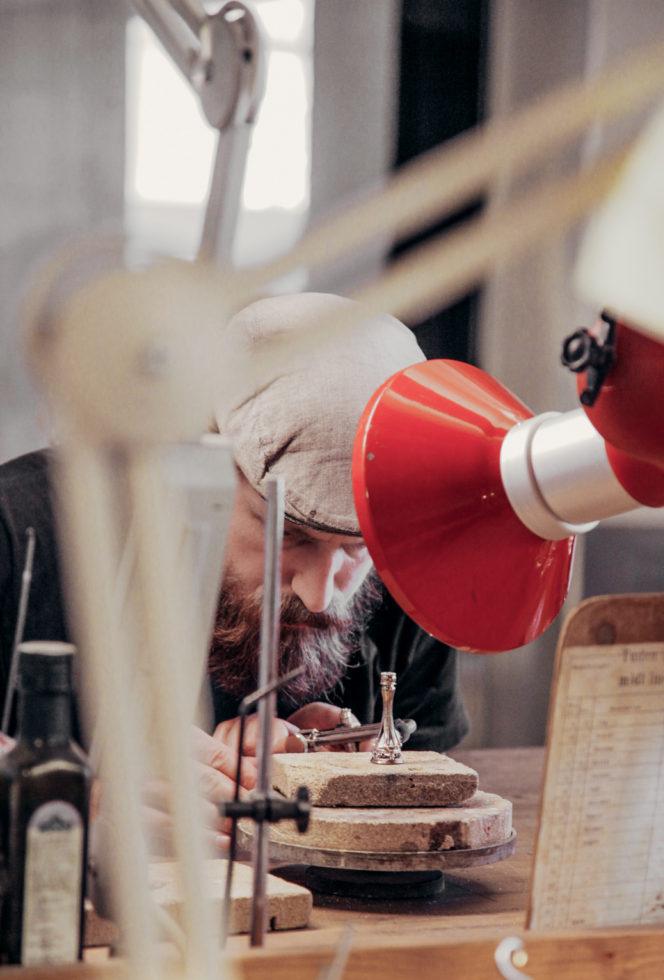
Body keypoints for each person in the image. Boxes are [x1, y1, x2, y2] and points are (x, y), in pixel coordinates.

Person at [0, 292, 470, 849]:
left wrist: (348, 771)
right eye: (290, 535)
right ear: (194, 462)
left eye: (356, 548)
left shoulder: (408, 579)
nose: (320, 595)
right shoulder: (26, 526)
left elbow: (430, 777)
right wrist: (52, 797)